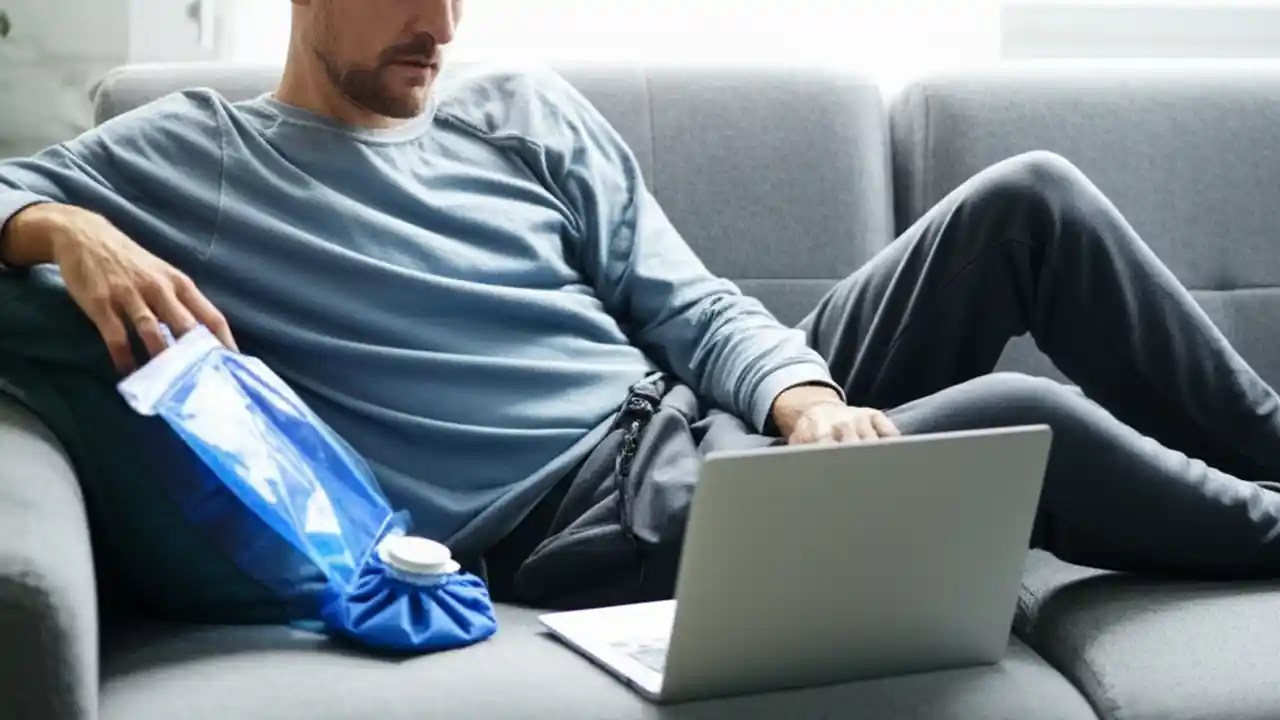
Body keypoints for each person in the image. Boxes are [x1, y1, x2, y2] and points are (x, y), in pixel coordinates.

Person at [3, 0, 1280, 608]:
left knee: (1028, 199)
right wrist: (57, 221)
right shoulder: (201, 159)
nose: (439, 23)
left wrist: (803, 395)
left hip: (686, 414)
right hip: (584, 515)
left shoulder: (522, 115)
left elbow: (691, 305)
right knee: (1014, 418)